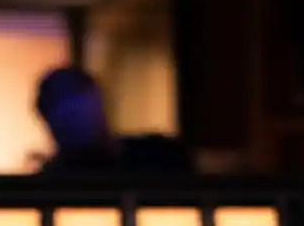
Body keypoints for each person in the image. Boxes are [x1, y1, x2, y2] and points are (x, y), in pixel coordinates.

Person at [34, 66, 192, 174]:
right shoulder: (50, 186)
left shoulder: (161, 157)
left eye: (83, 111)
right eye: (69, 116)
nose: (79, 121)